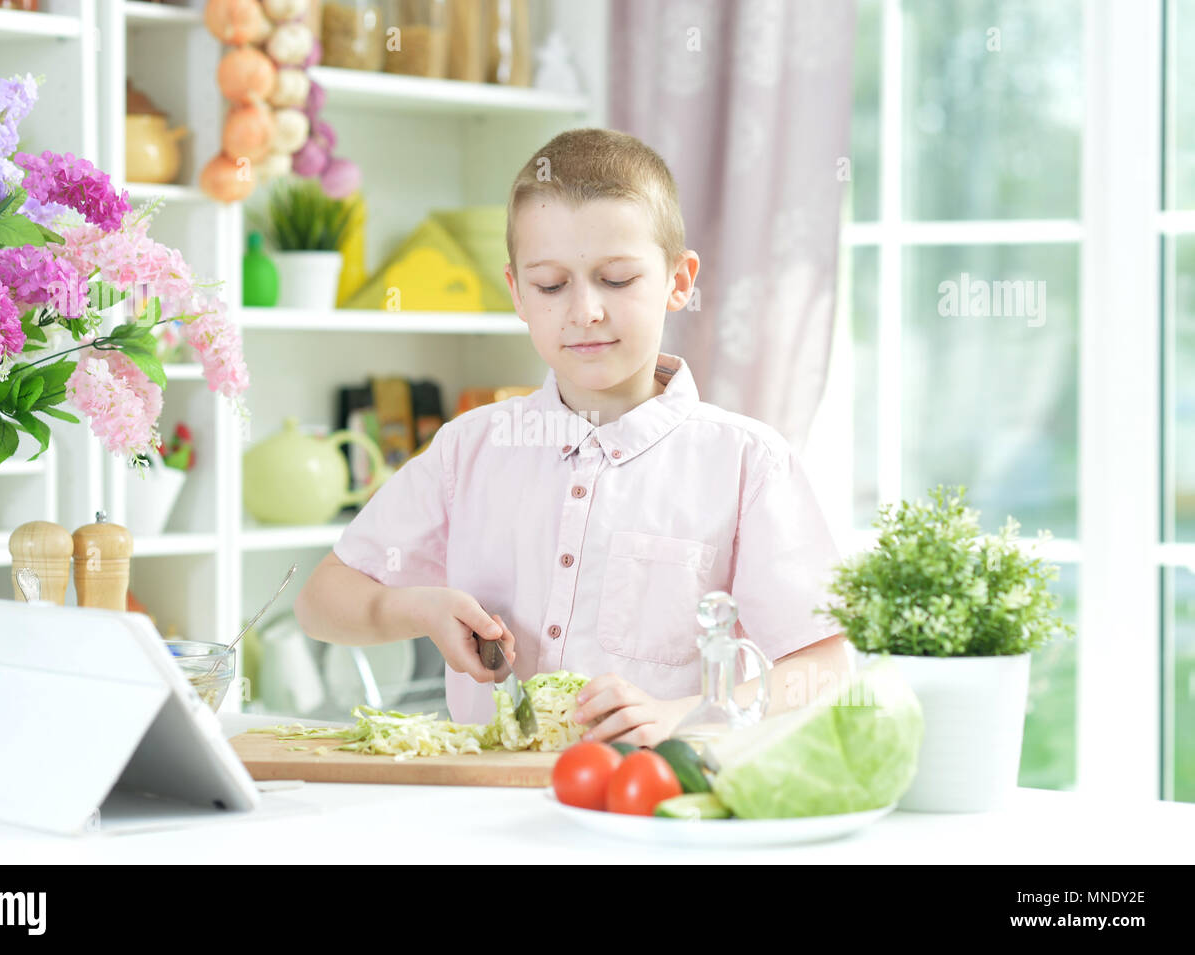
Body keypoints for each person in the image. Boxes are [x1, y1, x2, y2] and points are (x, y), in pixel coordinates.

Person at [294, 127, 850, 746]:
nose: (584, 310)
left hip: (652, 812)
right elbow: (321, 601)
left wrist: (688, 715)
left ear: (678, 280)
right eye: (552, 285)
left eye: (616, 279)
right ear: (517, 294)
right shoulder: (469, 449)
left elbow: (824, 667)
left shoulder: (748, 463)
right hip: (484, 815)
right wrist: (419, 610)